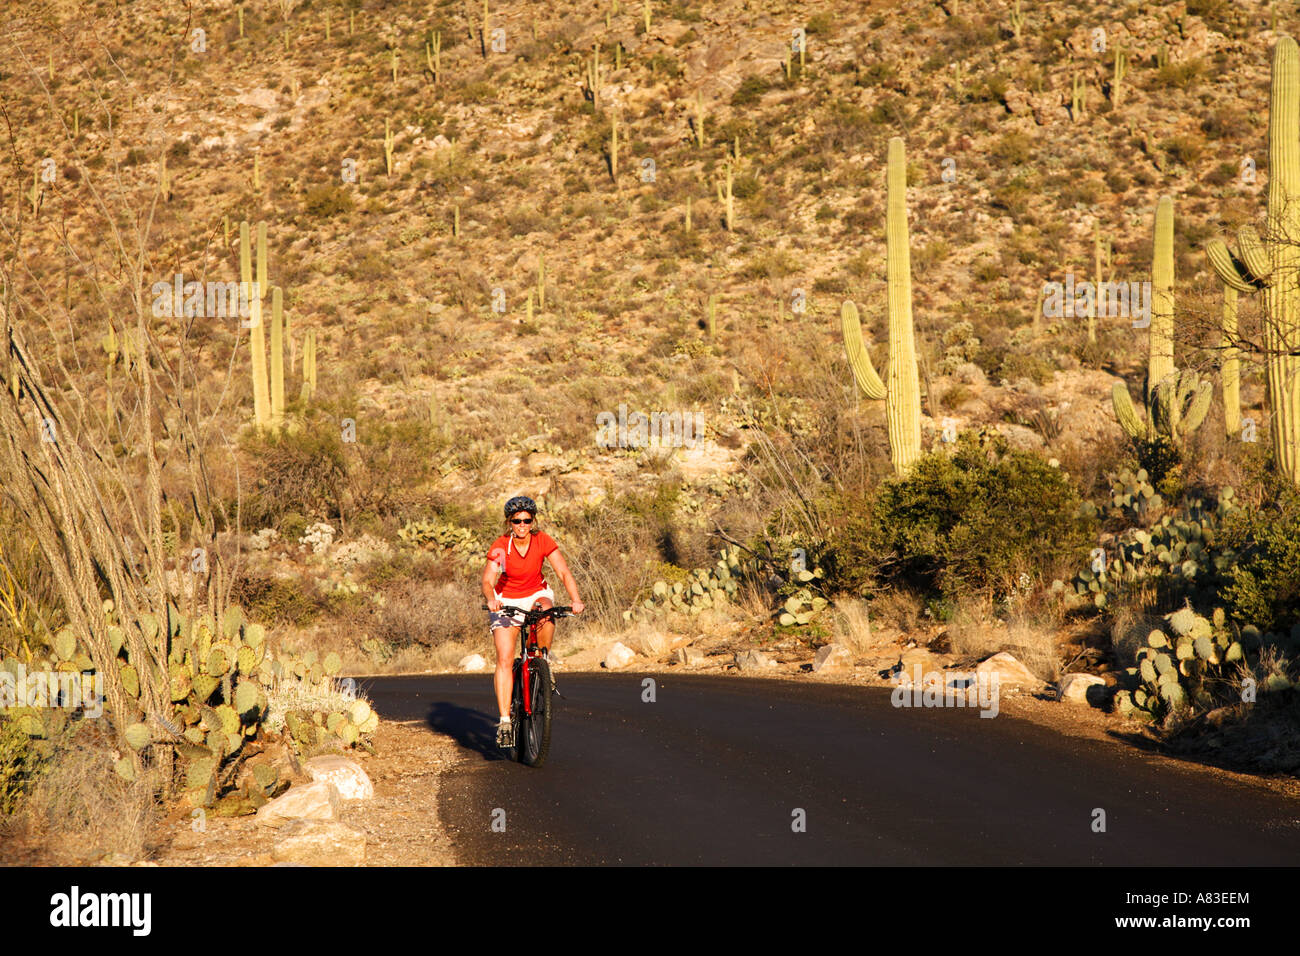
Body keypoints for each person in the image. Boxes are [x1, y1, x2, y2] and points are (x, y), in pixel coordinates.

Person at [482, 495, 584, 747]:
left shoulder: (542, 540)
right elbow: (488, 580)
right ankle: (505, 721)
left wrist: (575, 599)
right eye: (516, 521)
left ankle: (542, 661)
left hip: (536, 593)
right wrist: (491, 598)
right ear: (509, 522)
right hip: (506, 599)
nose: (522, 525)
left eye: (527, 520)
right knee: (505, 658)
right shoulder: (500, 547)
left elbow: (562, 571)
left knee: (547, 611)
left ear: (532, 520)